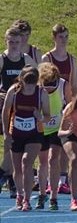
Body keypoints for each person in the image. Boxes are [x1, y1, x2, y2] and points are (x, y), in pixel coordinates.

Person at [2, 66, 50, 211]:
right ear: (21, 80)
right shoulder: (13, 91)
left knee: (26, 162)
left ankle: (27, 199)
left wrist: (40, 117)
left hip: (34, 133)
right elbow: (5, 112)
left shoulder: (42, 93)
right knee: (16, 168)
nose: (29, 87)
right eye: (27, 83)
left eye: (32, 84)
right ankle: (20, 194)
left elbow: (47, 116)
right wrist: (6, 133)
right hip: (16, 132)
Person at [1, 27, 39, 197]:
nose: (15, 45)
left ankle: (6, 176)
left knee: (12, 143)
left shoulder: (26, 59)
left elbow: (37, 78)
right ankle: (8, 176)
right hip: (4, 104)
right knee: (7, 141)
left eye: (17, 42)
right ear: (6, 41)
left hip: (22, 108)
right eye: (11, 42)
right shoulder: (2, 59)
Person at [36, 63, 72, 210]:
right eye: (46, 84)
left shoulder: (64, 85)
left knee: (53, 159)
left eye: (52, 83)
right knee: (42, 161)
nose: (49, 87)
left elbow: (70, 105)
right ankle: (42, 194)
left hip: (57, 129)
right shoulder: (37, 89)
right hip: (42, 128)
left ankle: (54, 196)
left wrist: (67, 123)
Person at [40, 24, 77, 97]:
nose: (64, 40)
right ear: (54, 38)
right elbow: (42, 83)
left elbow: (74, 85)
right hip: (51, 99)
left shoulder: (72, 60)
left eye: (66, 36)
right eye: (61, 37)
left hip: (66, 99)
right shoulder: (46, 58)